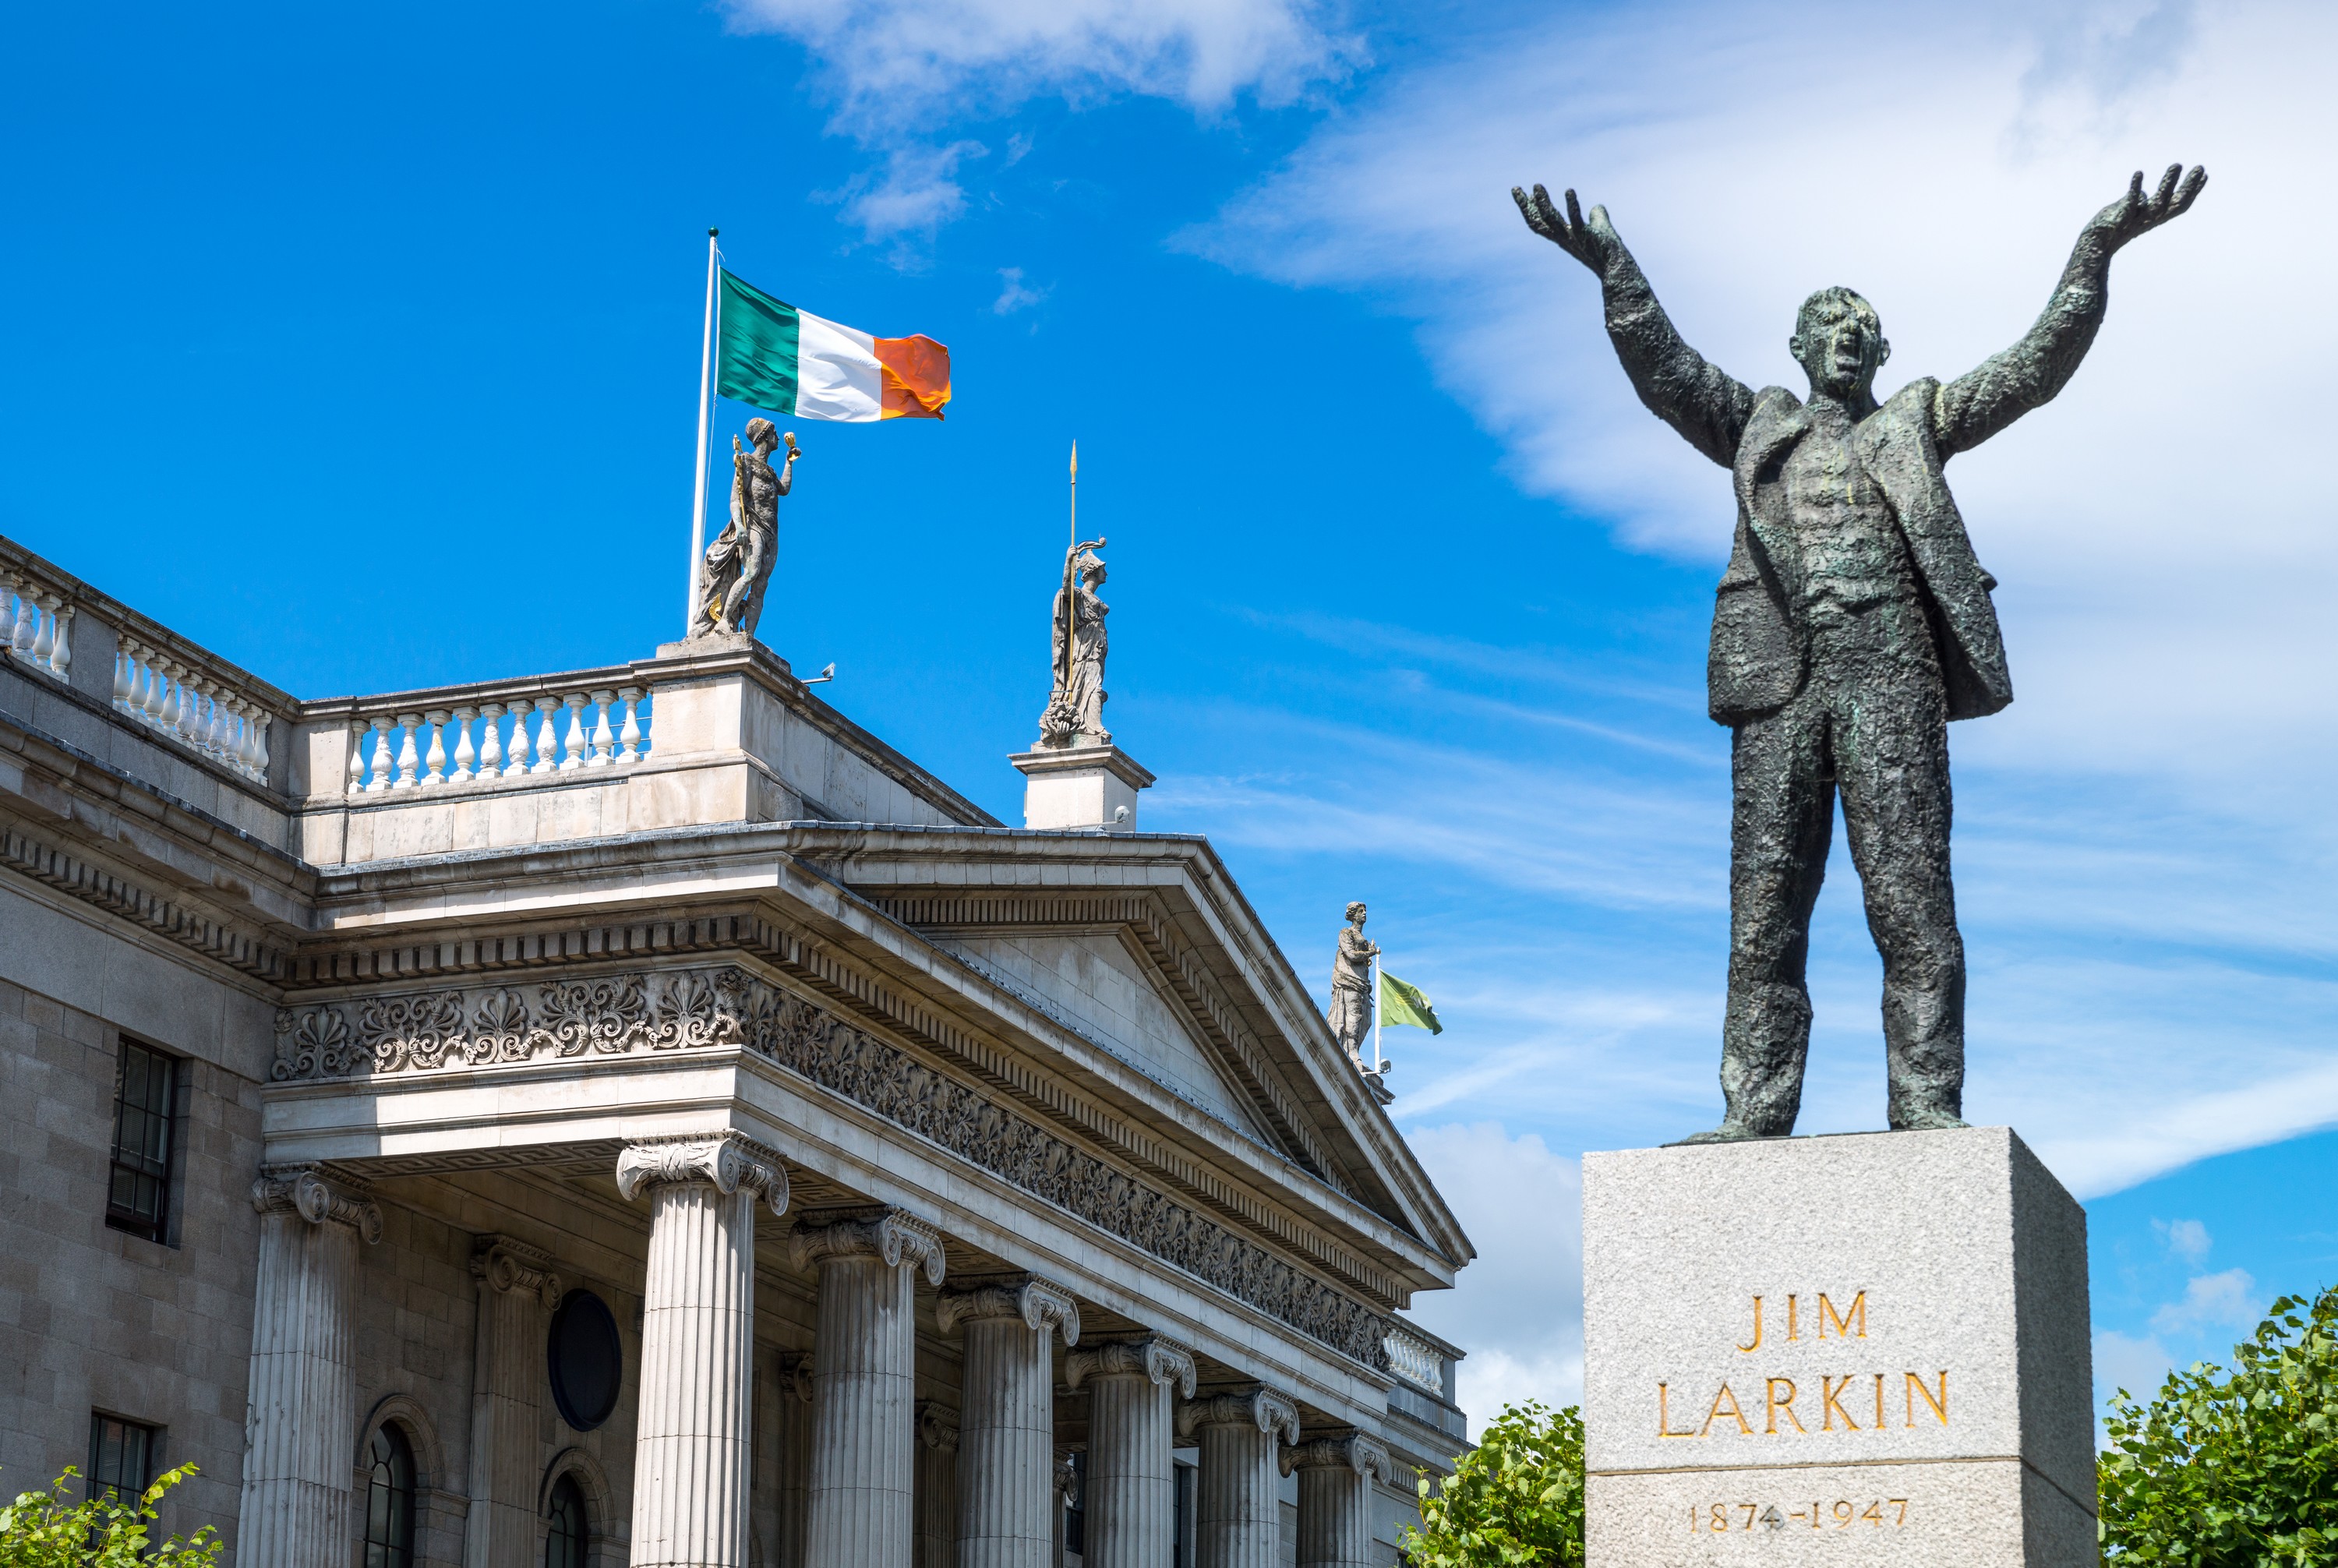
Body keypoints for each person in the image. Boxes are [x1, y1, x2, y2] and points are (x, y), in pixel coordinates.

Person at [1512, 164, 2205, 1140]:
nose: (1844, 334)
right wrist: (1613, 270)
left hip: (1892, 676)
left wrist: (2095, 251)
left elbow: (2033, 367)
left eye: (1860, 325)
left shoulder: (1915, 420)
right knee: (1764, 910)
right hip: (1778, 684)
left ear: (1880, 349)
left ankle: (1925, 1101)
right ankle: (1753, 1109)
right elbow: (1665, 369)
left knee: (1911, 900)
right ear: (1798, 348)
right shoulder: (1756, 424)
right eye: (1826, 323)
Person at [700, 418, 796, 637]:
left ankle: (749, 635)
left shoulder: (770, 471)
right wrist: (740, 526)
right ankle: (724, 620)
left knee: (761, 584)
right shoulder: (746, 461)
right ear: (764, 436)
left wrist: (789, 463)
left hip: (771, 530)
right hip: (753, 525)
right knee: (752, 573)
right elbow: (736, 499)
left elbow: (783, 489)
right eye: (774, 433)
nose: (778, 437)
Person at [1327, 902, 1379, 1071]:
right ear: (1353, 915)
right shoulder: (1345, 933)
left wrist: (1368, 954)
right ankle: (1352, 1053)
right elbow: (1351, 955)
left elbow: (1362, 960)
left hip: (1362, 983)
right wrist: (1370, 952)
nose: (1364, 913)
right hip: (1349, 980)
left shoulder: (1363, 939)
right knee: (1354, 1016)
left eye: (1365, 911)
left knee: (1366, 1019)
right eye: (1360, 911)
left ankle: (1353, 1050)